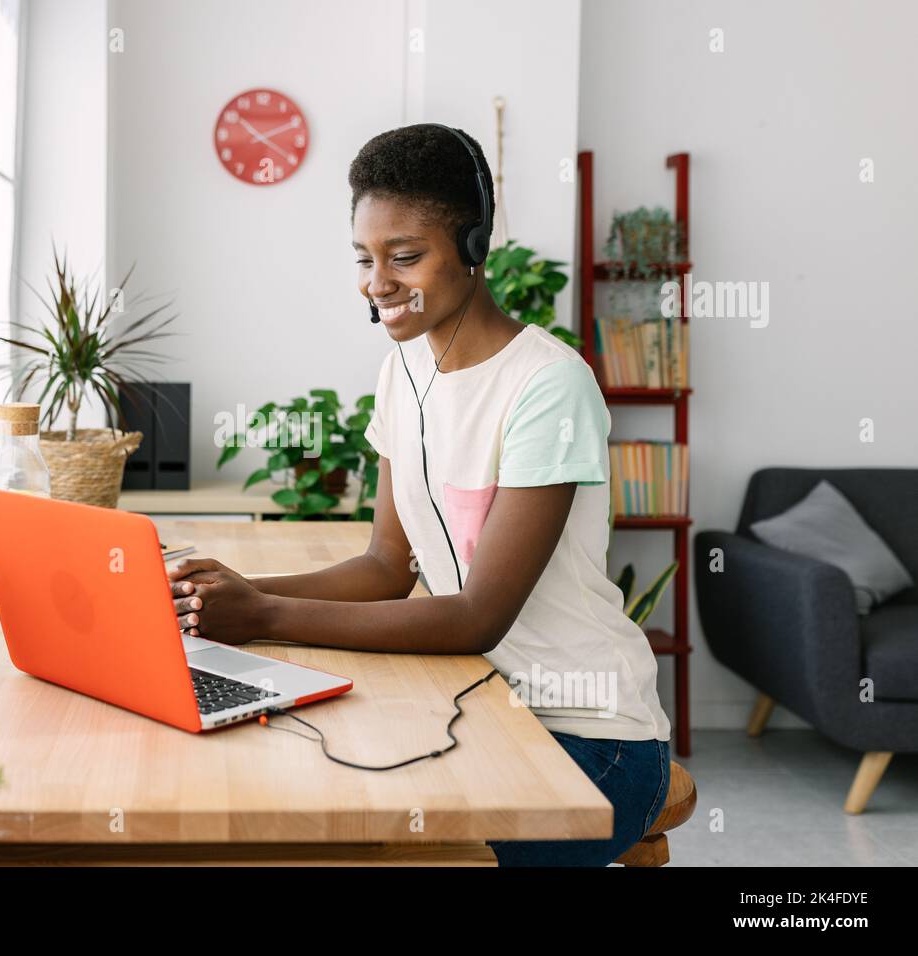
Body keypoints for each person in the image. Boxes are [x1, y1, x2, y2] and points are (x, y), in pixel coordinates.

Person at [167, 123, 671, 866]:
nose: (378, 282)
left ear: (473, 248)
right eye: (365, 259)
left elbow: (478, 617)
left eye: (405, 257)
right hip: (475, 705)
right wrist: (235, 594)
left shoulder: (547, 385)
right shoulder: (400, 373)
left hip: (589, 737)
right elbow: (384, 567)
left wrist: (266, 614)